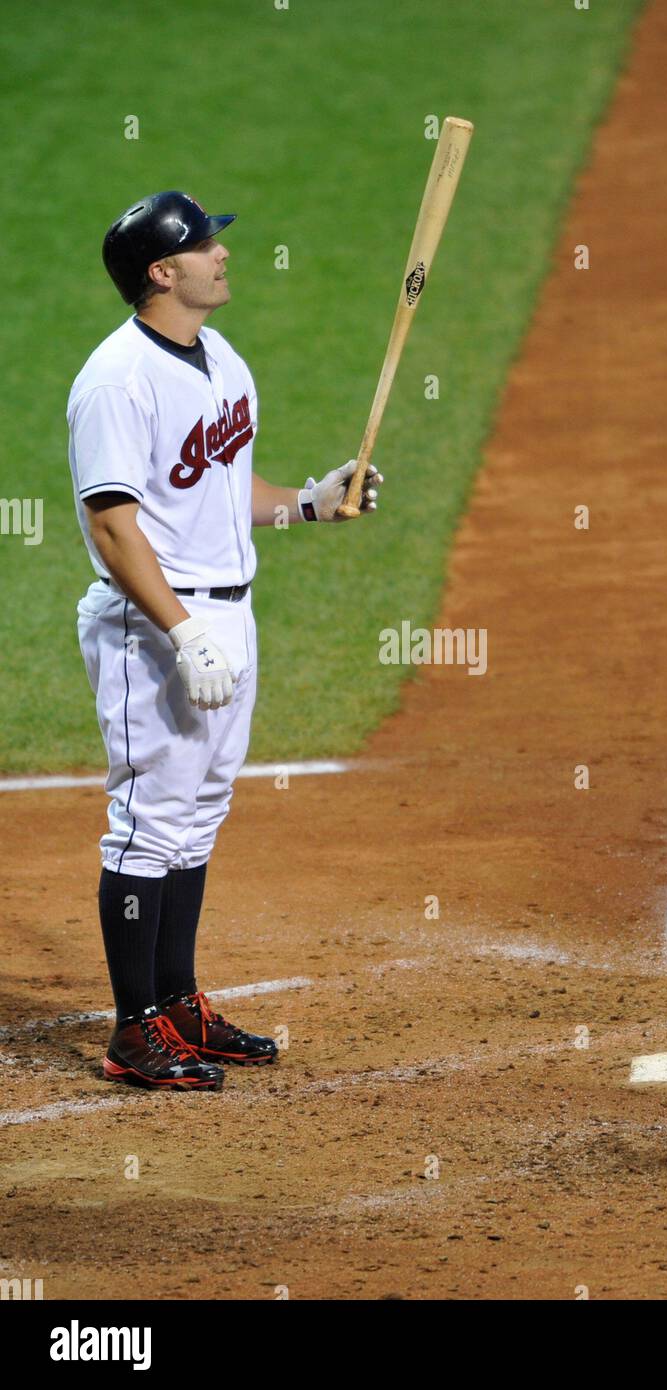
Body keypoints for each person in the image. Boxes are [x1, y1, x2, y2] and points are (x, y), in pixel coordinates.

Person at [68, 191, 382, 1091]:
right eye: (203, 247)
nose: (221, 255)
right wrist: (182, 634)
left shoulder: (221, 362)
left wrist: (310, 505)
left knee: (199, 812)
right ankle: (135, 1031)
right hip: (155, 625)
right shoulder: (117, 381)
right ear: (160, 274)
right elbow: (115, 526)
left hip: (227, 614)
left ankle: (178, 1005)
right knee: (146, 823)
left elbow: (222, 492)